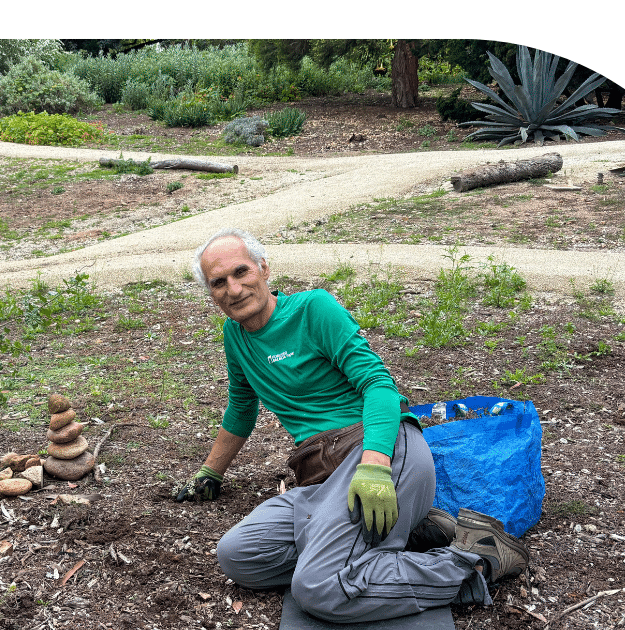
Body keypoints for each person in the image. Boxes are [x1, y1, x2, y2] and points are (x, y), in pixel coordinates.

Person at [172, 227, 529, 623]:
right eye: (218, 282)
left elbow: (379, 385)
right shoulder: (235, 335)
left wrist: (375, 464)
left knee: (318, 587)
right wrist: (209, 474)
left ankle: (476, 561)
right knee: (240, 556)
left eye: (241, 272)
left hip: (377, 448)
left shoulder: (313, 309)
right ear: (211, 292)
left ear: (263, 269)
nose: (234, 289)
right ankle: (406, 533)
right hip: (321, 478)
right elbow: (241, 408)